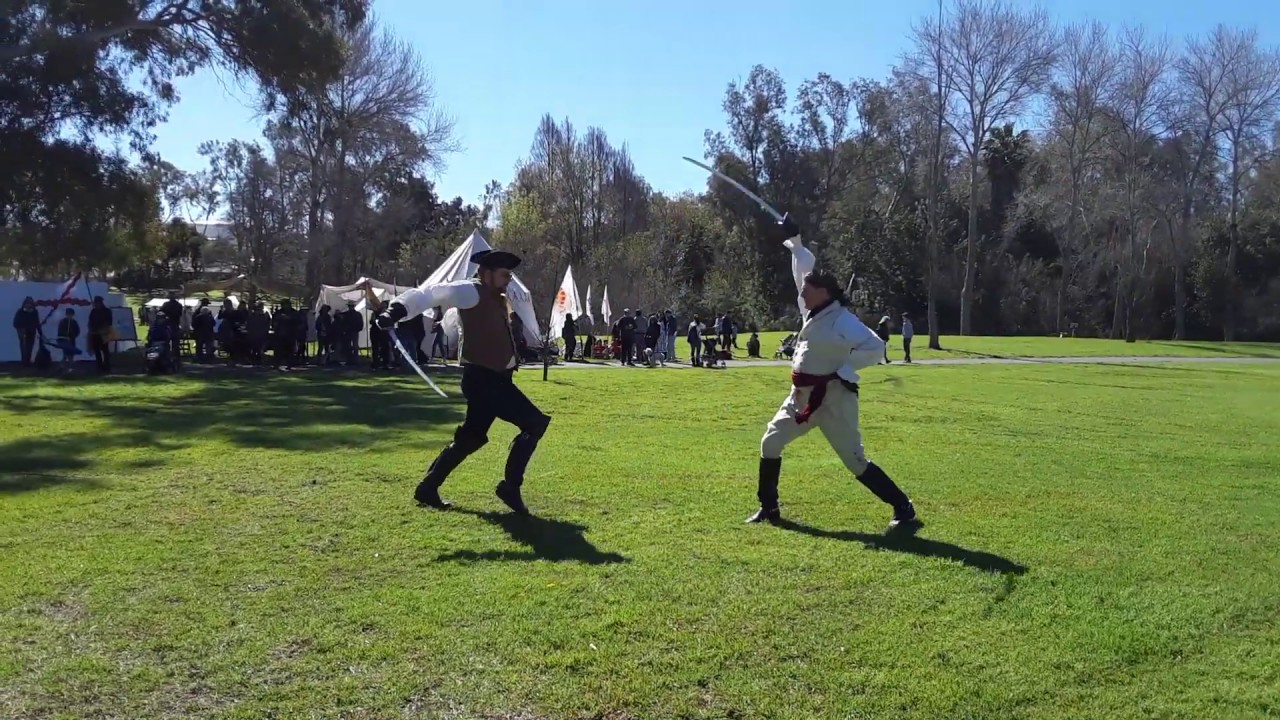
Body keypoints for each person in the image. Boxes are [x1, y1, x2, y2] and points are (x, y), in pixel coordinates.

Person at [748, 217, 920, 532]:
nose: (801, 293)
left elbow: (875, 346)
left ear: (824, 292)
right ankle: (768, 507)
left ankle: (904, 508)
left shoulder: (842, 321)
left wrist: (843, 370)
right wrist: (796, 240)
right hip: (799, 398)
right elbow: (803, 269)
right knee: (770, 442)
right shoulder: (811, 312)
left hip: (835, 400)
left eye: (808, 290)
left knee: (855, 461)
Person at [376, 249, 551, 516]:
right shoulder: (471, 291)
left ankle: (427, 487)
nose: (508, 280)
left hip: (493, 378)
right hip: (484, 380)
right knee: (534, 423)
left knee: (471, 437)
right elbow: (431, 293)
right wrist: (396, 310)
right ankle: (509, 488)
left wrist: (520, 352)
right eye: (504, 275)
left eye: (510, 275)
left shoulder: (497, 297)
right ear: (487, 273)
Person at [88, 296, 113, 373]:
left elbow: (109, 323)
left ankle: (106, 366)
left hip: (104, 333)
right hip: (95, 334)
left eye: (97, 303)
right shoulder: (93, 311)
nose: (96, 305)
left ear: (101, 303)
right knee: (97, 351)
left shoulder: (107, 311)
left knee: (105, 350)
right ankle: (99, 366)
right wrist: (91, 330)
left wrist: (103, 330)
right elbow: (90, 322)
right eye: (95, 303)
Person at [13, 296, 40, 366]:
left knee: (30, 348)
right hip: (23, 332)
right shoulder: (20, 312)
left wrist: (40, 333)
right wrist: (21, 329)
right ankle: (24, 362)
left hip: (31, 332)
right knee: (24, 348)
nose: (29, 305)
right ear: (24, 304)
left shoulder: (34, 312)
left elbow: (37, 323)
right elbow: (15, 323)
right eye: (27, 303)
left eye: (30, 303)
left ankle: (27, 362)